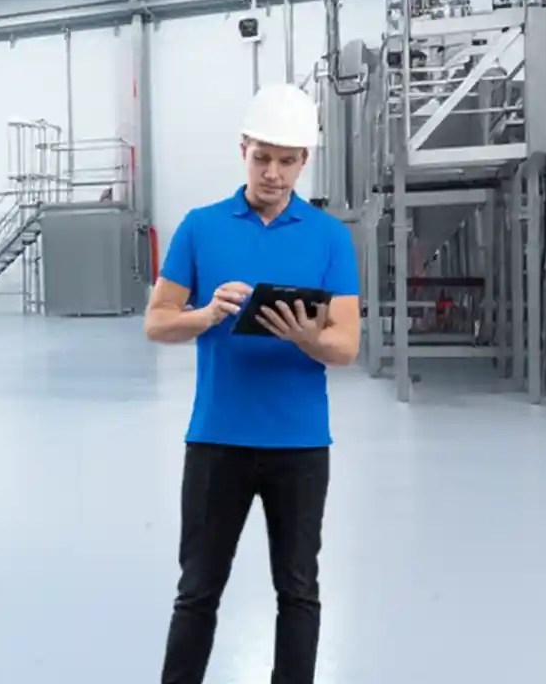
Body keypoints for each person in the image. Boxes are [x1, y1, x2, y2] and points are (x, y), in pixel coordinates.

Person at [144, 83, 361, 684]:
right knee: (197, 592)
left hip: (300, 446)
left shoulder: (328, 237)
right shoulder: (199, 227)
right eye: (261, 156)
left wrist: (304, 337)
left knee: (298, 593)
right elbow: (157, 324)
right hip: (217, 440)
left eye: (286, 160)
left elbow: (345, 345)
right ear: (243, 148)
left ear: (303, 162)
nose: (272, 172)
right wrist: (206, 315)